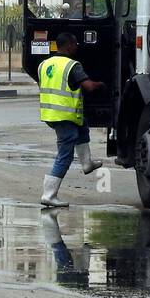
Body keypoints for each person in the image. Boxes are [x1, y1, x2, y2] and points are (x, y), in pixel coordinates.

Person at [38, 32, 106, 208]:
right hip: (65, 115)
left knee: (82, 127)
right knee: (64, 155)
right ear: (68, 46)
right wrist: (101, 84)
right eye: (75, 43)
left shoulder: (44, 64)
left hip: (50, 113)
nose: (77, 46)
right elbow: (89, 87)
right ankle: (49, 194)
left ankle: (87, 163)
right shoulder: (72, 65)